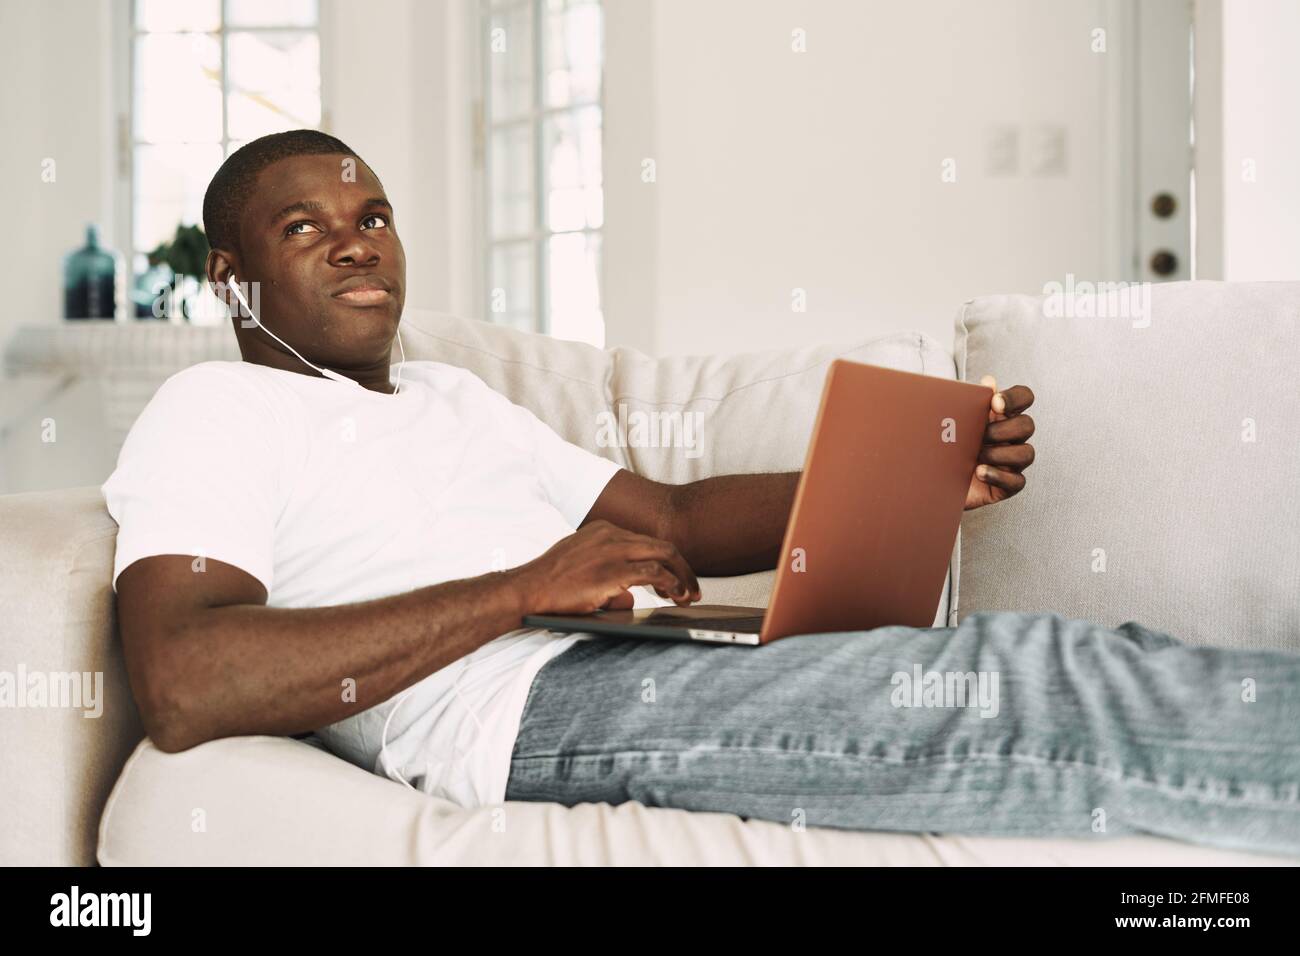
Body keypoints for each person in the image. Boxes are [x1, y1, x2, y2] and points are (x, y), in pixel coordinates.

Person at [104, 130, 1299, 857]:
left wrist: (919, 478)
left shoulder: (447, 397)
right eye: (307, 227)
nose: (357, 244)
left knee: (1069, 656)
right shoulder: (214, 412)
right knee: (1035, 683)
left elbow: (670, 518)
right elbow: (184, 677)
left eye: (372, 216)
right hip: (528, 714)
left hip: (633, 653)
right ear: (232, 275)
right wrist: (523, 587)